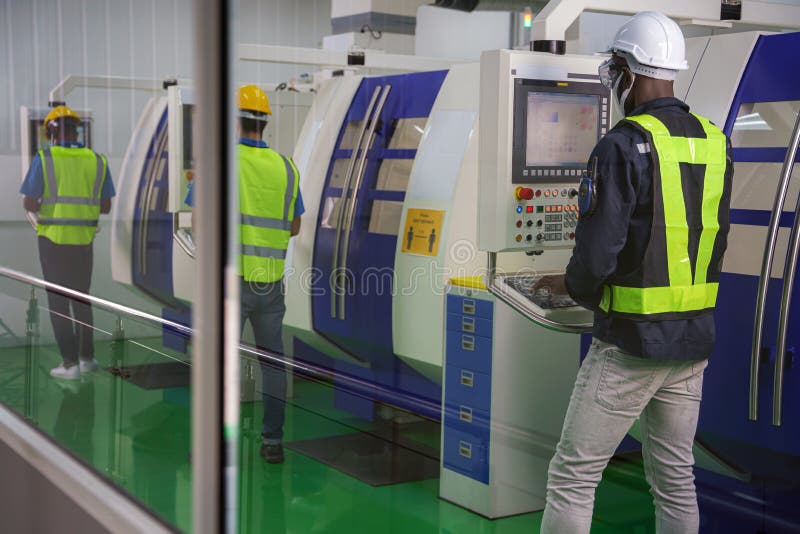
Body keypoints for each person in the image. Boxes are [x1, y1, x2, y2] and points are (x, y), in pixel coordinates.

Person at [534, 12, 733, 533]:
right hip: (692, 342)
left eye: (615, 69)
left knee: (573, 477)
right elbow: (713, 238)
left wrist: (569, 286)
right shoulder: (715, 141)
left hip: (631, 346)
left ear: (628, 70)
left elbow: (597, 257)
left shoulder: (622, 145)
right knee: (675, 481)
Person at [185, 85, 304, 464]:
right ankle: (272, 442)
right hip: (269, 282)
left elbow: (199, 222)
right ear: (265, 122)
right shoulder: (287, 167)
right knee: (273, 364)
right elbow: (294, 226)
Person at [20, 105, 115, 380]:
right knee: (82, 299)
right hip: (84, 242)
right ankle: (87, 358)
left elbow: (28, 201)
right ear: (78, 131)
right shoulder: (98, 160)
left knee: (59, 303)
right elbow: (106, 207)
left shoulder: (45, 158)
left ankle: (69, 364)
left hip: (53, 241)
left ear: (50, 132)